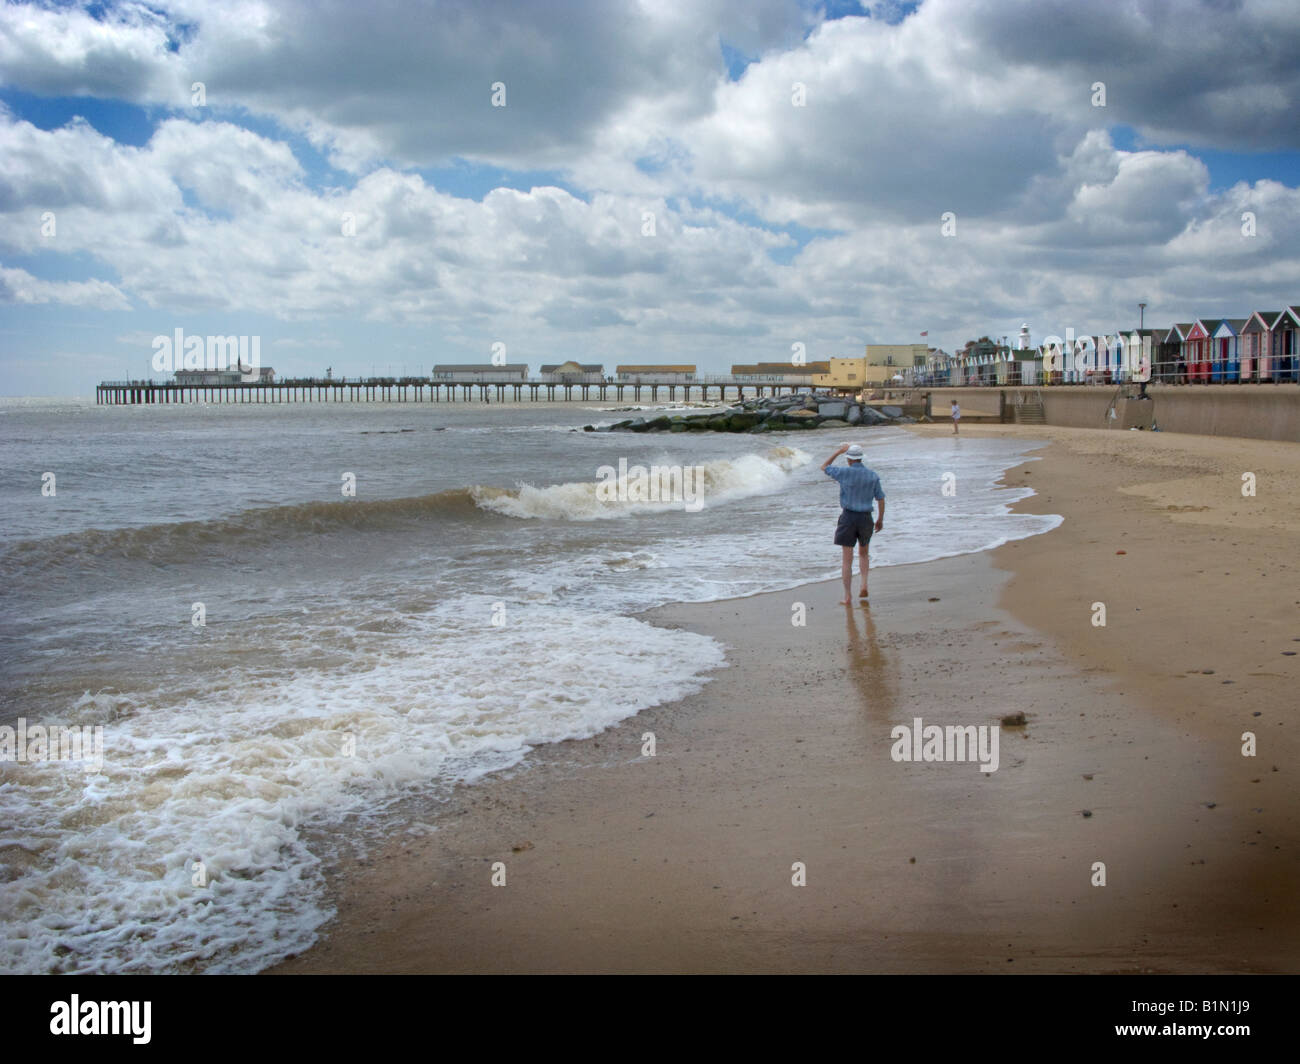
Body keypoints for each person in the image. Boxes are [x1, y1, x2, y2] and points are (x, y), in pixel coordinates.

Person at [822, 443, 885, 605]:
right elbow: (880, 498)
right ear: (861, 458)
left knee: (847, 559)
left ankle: (848, 596)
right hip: (866, 518)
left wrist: (838, 451)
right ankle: (863, 584)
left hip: (849, 517)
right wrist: (880, 519)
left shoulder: (844, 473)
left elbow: (824, 466)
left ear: (849, 459)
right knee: (864, 553)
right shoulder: (872, 475)